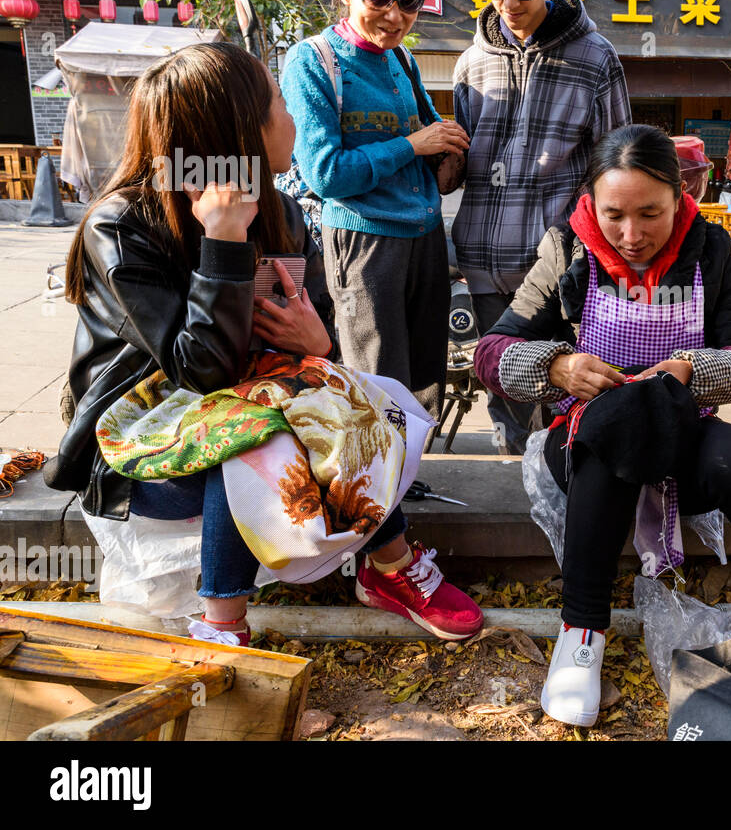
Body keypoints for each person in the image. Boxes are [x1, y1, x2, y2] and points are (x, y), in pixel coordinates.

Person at [46, 42, 482, 645]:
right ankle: (222, 624)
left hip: (247, 399)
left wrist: (319, 342)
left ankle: (391, 568)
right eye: (277, 103)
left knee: (368, 393)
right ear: (232, 131)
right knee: (259, 430)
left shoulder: (281, 211)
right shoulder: (122, 225)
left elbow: (305, 340)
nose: (293, 118)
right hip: (138, 441)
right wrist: (222, 241)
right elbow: (200, 371)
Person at [474, 125, 731, 727]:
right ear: (591, 202)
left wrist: (693, 371)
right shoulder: (566, 249)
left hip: (683, 430)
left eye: (650, 214)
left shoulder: (709, 250)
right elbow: (490, 351)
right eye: (615, 215)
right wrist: (555, 364)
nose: (632, 236)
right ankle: (582, 632)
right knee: (612, 440)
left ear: (680, 196)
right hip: (586, 438)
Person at [453, 0, 632, 454]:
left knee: (565, 410)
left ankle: (566, 516)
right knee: (505, 400)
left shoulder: (596, 60)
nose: (509, 4)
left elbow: (616, 171)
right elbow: (458, 165)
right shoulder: (469, 64)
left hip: (556, 270)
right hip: (483, 266)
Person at [280, 0, 469, 418]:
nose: (394, 15)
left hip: (425, 235)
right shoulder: (312, 61)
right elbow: (324, 173)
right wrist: (413, 146)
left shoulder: (403, 61)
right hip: (365, 244)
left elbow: (432, 138)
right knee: (376, 374)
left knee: (428, 371)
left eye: (409, 1)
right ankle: (377, 489)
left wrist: (448, 149)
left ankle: (403, 466)